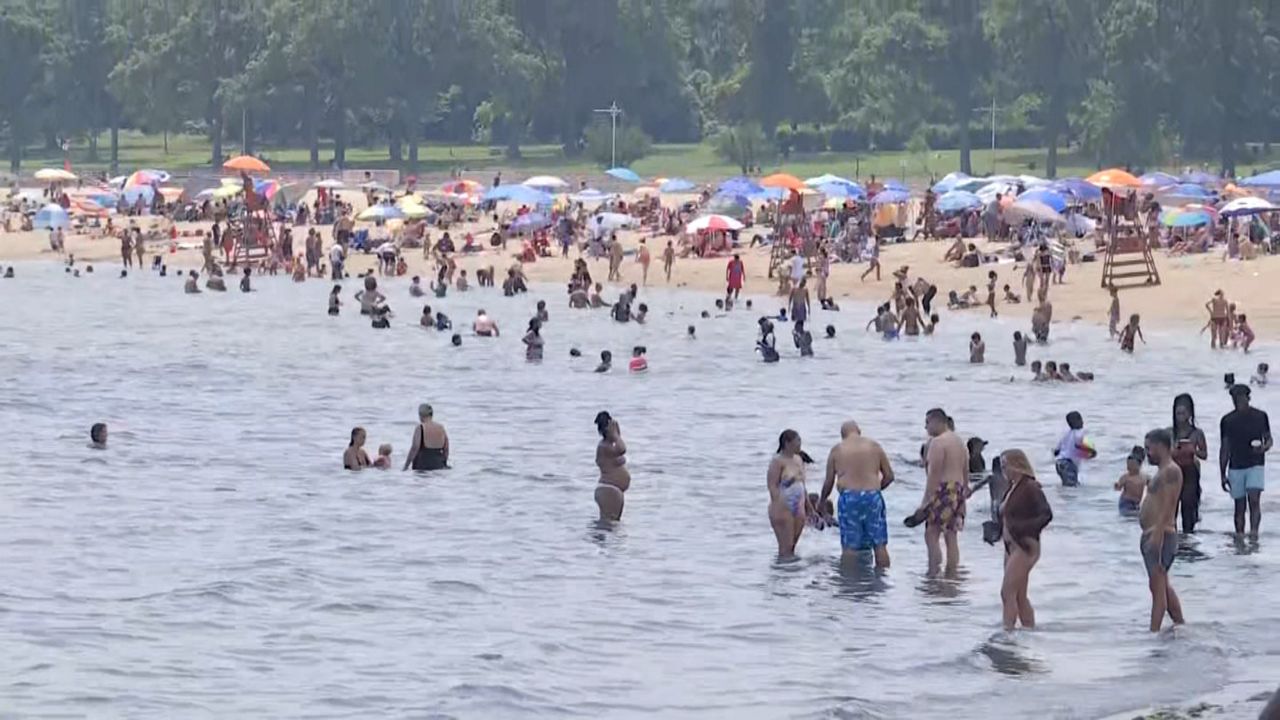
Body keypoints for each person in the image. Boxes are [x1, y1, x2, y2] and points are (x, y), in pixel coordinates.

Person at [820, 421, 894, 567]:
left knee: (850, 546)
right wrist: (876, 490)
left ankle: (850, 584)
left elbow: (828, 481)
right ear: (859, 431)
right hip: (872, 496)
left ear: (842, 435)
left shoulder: (837, 449)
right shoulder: (874, 446)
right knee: (879, 544)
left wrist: (821, 501)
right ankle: (882, 581)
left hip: (849, 498)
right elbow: (890, 476)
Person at [998, 449, 1053, 630]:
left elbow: (1046, 515)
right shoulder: (1012, 487)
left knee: (1007, 591)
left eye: (1006, 466)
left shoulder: (1030, 487)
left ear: (1017, 465)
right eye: (1002, 466)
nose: (1003, 470)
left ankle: (1008, 632)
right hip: (1010, 545)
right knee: (1019, 594)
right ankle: (1029, 629)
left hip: (1024, 545)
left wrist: (1024, 530)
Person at [1141, 429, 1186, 632]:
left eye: (1149, 448)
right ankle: (1180, 625)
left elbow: (1169, 506)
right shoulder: (1162, 471)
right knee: (1161, 586)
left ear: (1160, 446)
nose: (1147, 453)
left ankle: (1154, 634)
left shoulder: (1171, 471)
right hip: (1154, 532)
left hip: (1162, 533)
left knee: (1157, 589)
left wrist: (1158, 533)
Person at [917, 408, 967, 576]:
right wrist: (963, 499)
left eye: (927, 423)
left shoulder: (937, 442)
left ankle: (933, 571)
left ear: (937, 422)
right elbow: (965, 471)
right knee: (951, 535)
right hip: (957, 489)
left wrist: (925, 502)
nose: (926, 428)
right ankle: (952, 573)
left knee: (931, 533)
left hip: (943, 489)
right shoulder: (958, 441)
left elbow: (934, 474)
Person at [1220, 384, 1271, 538]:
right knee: (1239, 505)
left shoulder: (1260, 416)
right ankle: (1240, 536)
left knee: (1254, 499)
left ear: (1248, 398)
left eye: (1241, 398)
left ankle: (1254, 532)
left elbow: (1268, 439)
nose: (1238, 402)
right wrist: (1222, 473)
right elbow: (1225, 448)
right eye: (1235, 399)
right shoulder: (1227, 420)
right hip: (1236, 466)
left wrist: (1263, 448)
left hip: (1256, 463)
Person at [767, 429, 814, 558]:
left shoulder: (798, 459)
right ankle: (782, 574)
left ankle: (792, 575)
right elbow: (772, 486)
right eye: (797, 441)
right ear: (787, 443)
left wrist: (810, 508)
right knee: (785, 548)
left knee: (792, 547)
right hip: (783, 505)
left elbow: (802, 485)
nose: (800, 444)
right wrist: (778, 505)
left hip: (798, 505)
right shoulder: (777, 461)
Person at [1170, 394, 1208, 533]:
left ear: (1190, 413)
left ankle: (1188, 540)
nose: (1180, 417)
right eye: (1178, 413)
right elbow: (1160, 455)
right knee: (1170, 511)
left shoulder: (1197, 433)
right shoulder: (1170, 432)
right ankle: (1172, 540)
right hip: (1172, 472)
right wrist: (1172, 451)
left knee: (1188, 507)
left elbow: (1205, 455)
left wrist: (1194, 451)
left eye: (1183, 413)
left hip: (1190, 472)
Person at [594, 411, 629, 522]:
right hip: (609, 489)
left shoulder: (609, 445)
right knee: (609, 524)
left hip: (613, 490)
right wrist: (616, 435)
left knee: (613, 527)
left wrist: (616, 435)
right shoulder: (604, 446)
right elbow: (622, 449)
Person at [403, 403, 449, 471]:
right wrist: (444, 463)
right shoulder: (441, 427)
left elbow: (415, 448)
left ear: (420, 415)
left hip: (422, 464)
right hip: (439, 464)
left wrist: (406, 466)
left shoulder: (420, 428)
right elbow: (446, 449)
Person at [1053, 411, 1094, 486]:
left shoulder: (1066, 434)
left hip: (1059, 463)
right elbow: (1078, 445)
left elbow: (1056, 451)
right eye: (1081, 419)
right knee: (1072, 486)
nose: (1083, 422)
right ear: (1078, 421)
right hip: (1068, 464)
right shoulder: (1080, 433)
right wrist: (1092, 452)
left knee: (1068, 485)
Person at [1116, 446, 1147, 516]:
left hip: (1136, 504)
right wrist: (1117, 485)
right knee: (1130, 516)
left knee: (1136, 517)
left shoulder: (1144, 477)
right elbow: (1119, 487)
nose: (1128, 468)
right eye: (1127, 466)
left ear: (1140, 465)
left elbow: (1153, 485)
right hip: (1125, 503)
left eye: (1131, 465)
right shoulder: (1126, 477)